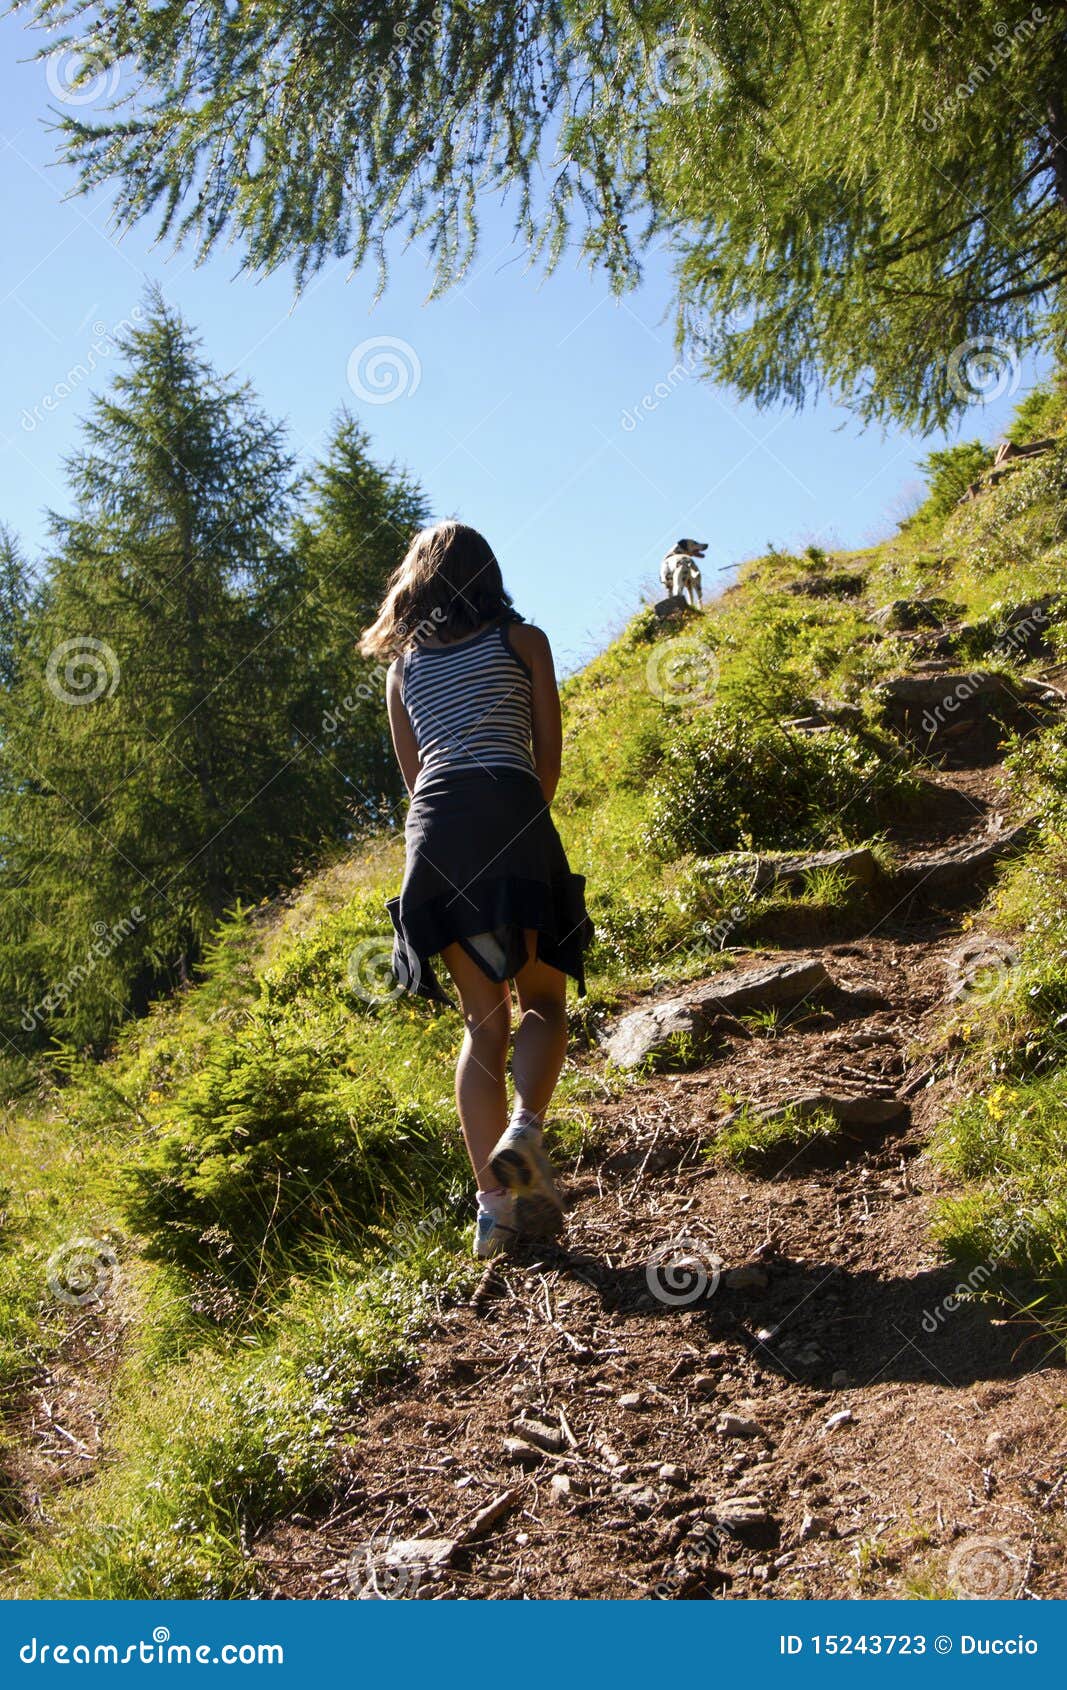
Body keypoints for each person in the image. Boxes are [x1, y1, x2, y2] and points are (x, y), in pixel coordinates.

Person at [359, 522, 593, 1260]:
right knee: (544, 1001)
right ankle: (525, 1127)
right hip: (510, 815)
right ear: (487, 575)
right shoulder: (523, 643)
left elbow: (412, 777)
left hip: (434, 837)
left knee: (480, 1027)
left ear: (415, 582)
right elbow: (546, 758)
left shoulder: (402, 671)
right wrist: (520, 821)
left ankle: (492, 1211)